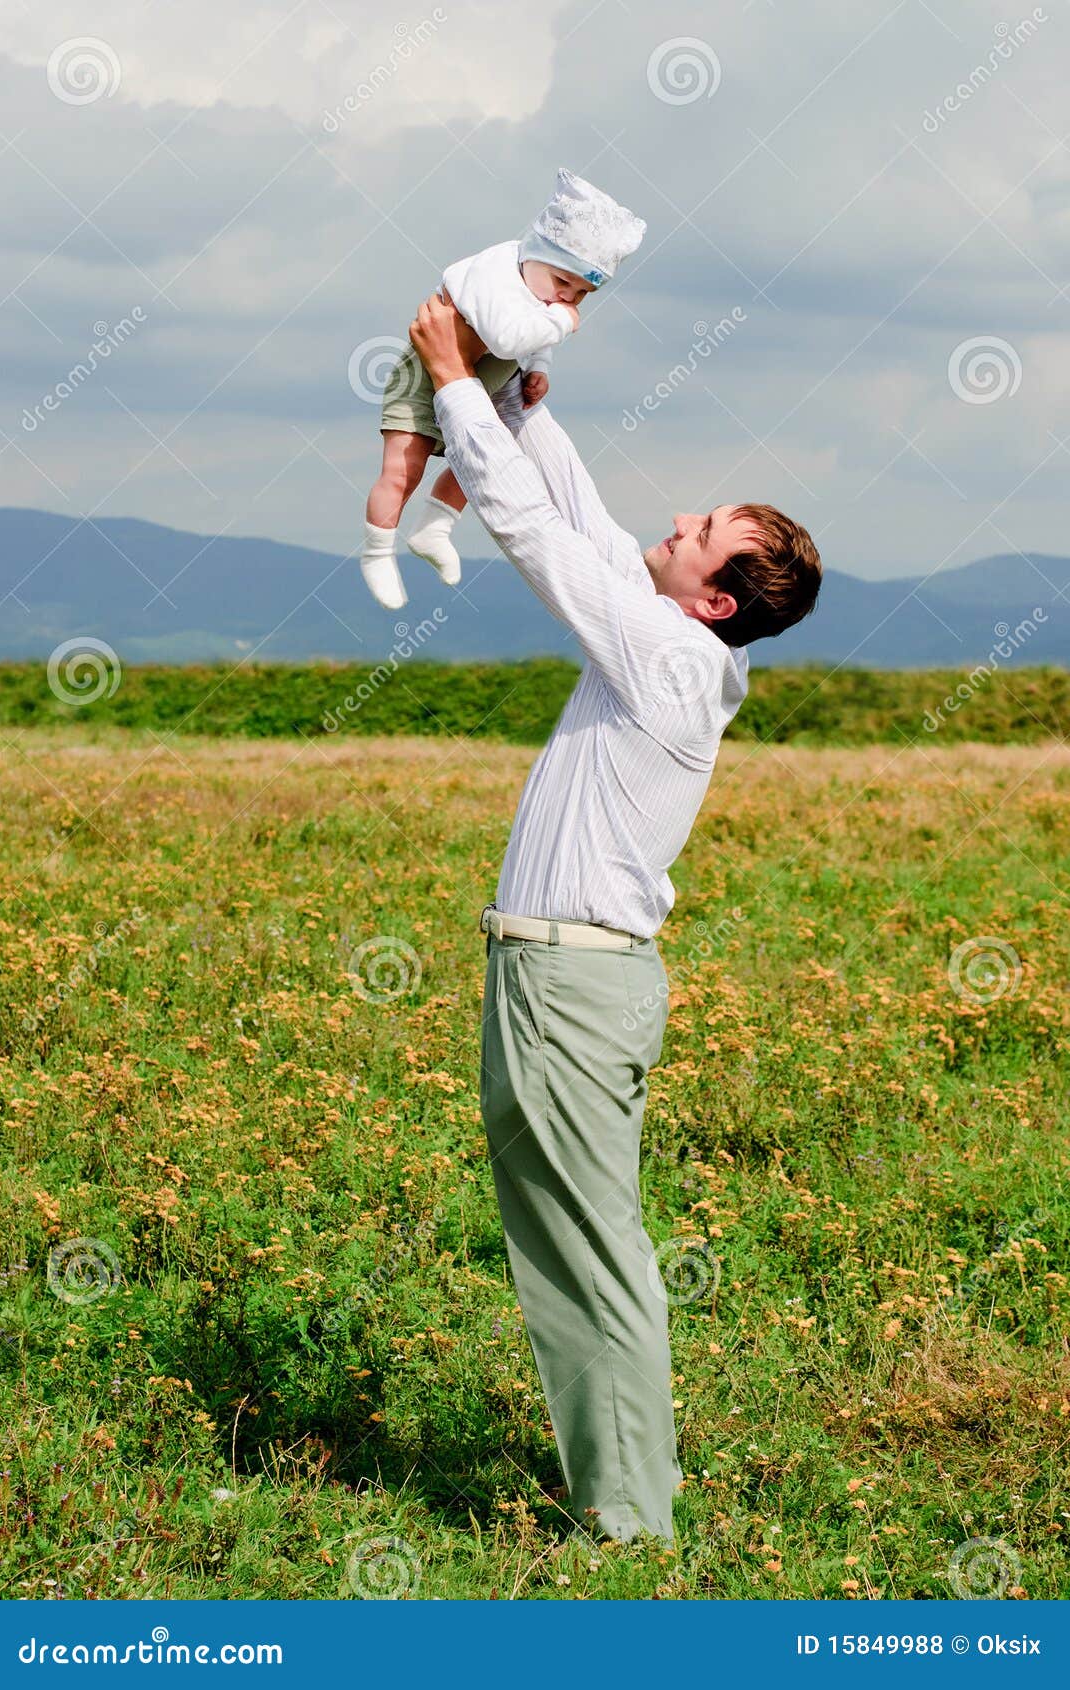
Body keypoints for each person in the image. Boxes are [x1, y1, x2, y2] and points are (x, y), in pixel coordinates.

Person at [407, 289, 822, 1547]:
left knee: (591, 1251)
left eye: (702, 532)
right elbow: (584, 524)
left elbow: (539, 538)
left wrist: (456, 383)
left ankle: (632, 1522)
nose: (679, 520)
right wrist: (528, 408)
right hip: (561, 981)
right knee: (574, 1245)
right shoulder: (675, 639)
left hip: (572, 988)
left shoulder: (673, 657)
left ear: (716, 600)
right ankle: (624, 1496)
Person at [360, 167, 645, 610]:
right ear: (534, 253)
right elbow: (507, 338)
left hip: (483, 380)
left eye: (580, 294)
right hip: (424, 376)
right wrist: (561, 323)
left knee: (484, 460)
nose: (566, 298)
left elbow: (534, 337)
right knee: (403, 470)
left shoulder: (537, 285)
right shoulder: (495, 272)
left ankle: (435, 526)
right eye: (562, 282)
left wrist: (540, 366)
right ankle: (377, 552)